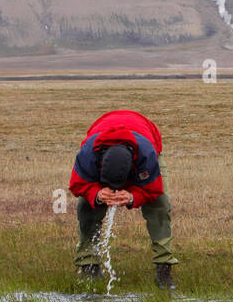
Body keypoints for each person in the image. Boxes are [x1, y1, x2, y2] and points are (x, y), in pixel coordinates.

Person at [68, 109, 177, 289]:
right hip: (103, 130)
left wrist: (134, 196)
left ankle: (163, 269)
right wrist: (96, 194)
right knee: (85, 205)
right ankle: (88, 266)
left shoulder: (147, 154)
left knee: (160, 205)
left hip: (145, 135)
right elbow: (77, 185)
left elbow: (153, 190)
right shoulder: (88, 153)